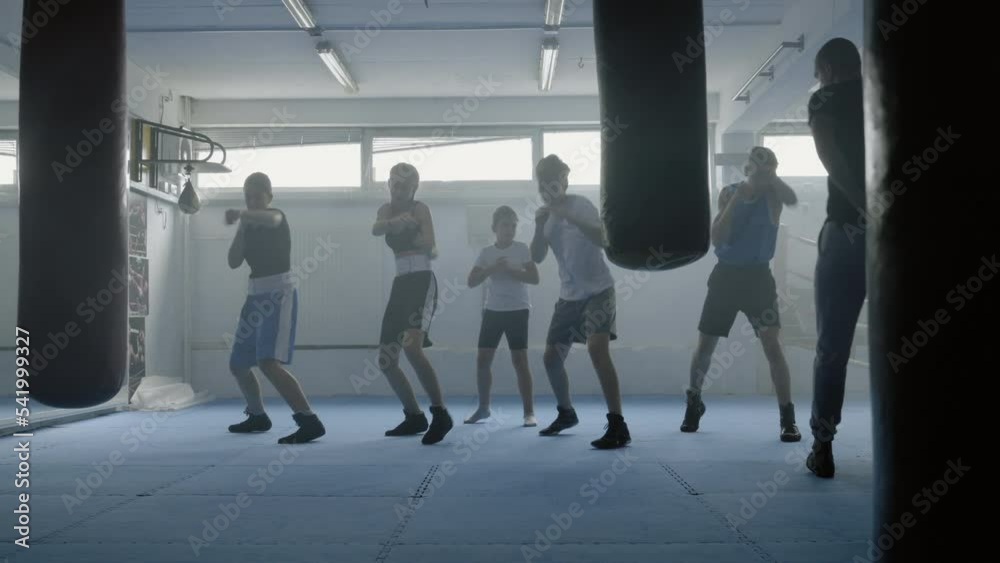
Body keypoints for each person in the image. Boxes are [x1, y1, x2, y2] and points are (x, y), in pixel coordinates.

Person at [682, 147, 801, 441]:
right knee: (705, 345)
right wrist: (739, 194)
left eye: (767, 172)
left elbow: (793, 198)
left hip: (758, 278)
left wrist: (769, 176)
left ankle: (788, 418)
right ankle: (694, 402)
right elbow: (718, 237)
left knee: (772, 345)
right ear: (747, 169)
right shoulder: (729, 192)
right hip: (725, 276)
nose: (760, 177)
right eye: (756, 171)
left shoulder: (774, 196)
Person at [530, 154, 630, 449]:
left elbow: (604, 239)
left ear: (564, 180)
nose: (550, 189)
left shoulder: (581, 205)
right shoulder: (544, 216)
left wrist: (568, 215)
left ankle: (618, 424)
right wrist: (539, 226)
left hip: (598, 291)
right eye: (544, 186)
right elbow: (536, 257)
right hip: (569, 297)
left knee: (597, 349)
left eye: (556, 182)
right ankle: (566, 413)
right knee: (550, 358)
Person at [225, 172, 325, 444]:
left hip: (278, 293)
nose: (252, 201)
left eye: (257, 196)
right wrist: (242, 228)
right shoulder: (247, 224)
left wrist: (244, 214)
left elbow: (271, 218)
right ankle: (257, 415)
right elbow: (233, 261)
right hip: (254, 294)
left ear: (269, 196)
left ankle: (308, 420)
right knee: (237, 364)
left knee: (268, 363)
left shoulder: (276, 216)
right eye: (248, 197)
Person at [807, 38, 866, 478]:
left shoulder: (824, 98)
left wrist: (865, 203)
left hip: (847, 230)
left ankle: (823, 445)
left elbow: (828, 154)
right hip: (897, 235)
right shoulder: (883, 92)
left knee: (832, 347)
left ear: (826, 67)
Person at [371, 163, 453, 445]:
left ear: (413, 188)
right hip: (400, 284)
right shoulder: (386, 209)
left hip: (420, 280)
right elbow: (376, 228)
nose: (397, 188)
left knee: (411, 347)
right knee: (386, 359)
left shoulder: (421, 208)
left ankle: (440, 413)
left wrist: (408, 228)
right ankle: (414, 415)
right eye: (394, 183)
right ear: (389, 184)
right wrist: (402, 224)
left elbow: (428, 242)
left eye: (404, 185)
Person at [466, 205, 539, 427]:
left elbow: (534, 278)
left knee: (519, 361)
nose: (510, 229)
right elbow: (471, 281)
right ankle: (483, 408)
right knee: (482, 360)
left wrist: (512, 271)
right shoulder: (487, 253)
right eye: (505, 225)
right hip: (493, 310)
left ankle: (528, 413)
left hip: (517, 309)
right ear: (495, 228)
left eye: (513, 226)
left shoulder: (522, 249)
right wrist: (491, 270)